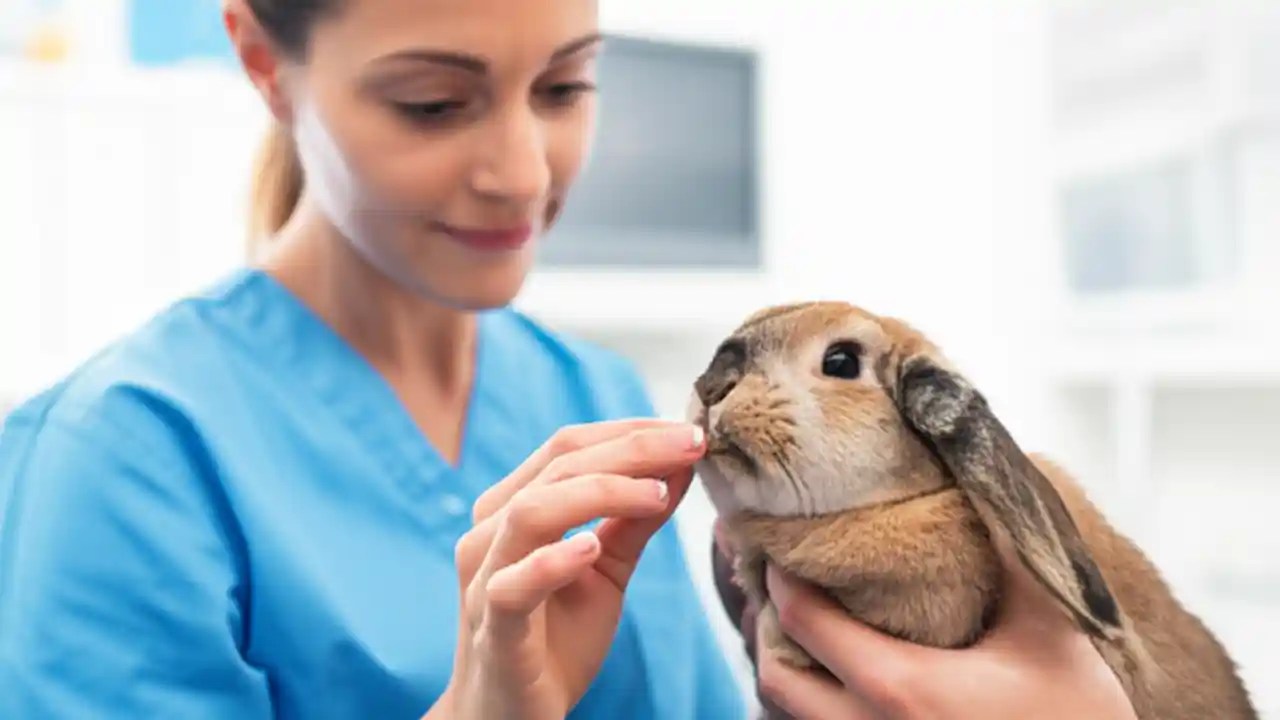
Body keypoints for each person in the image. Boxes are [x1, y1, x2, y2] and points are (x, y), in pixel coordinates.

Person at [0, 1, 1140, 718]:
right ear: (262, 60)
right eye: (433, 101)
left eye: (564, 87)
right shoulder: (123, 456)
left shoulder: (590, 398)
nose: (521, 173)